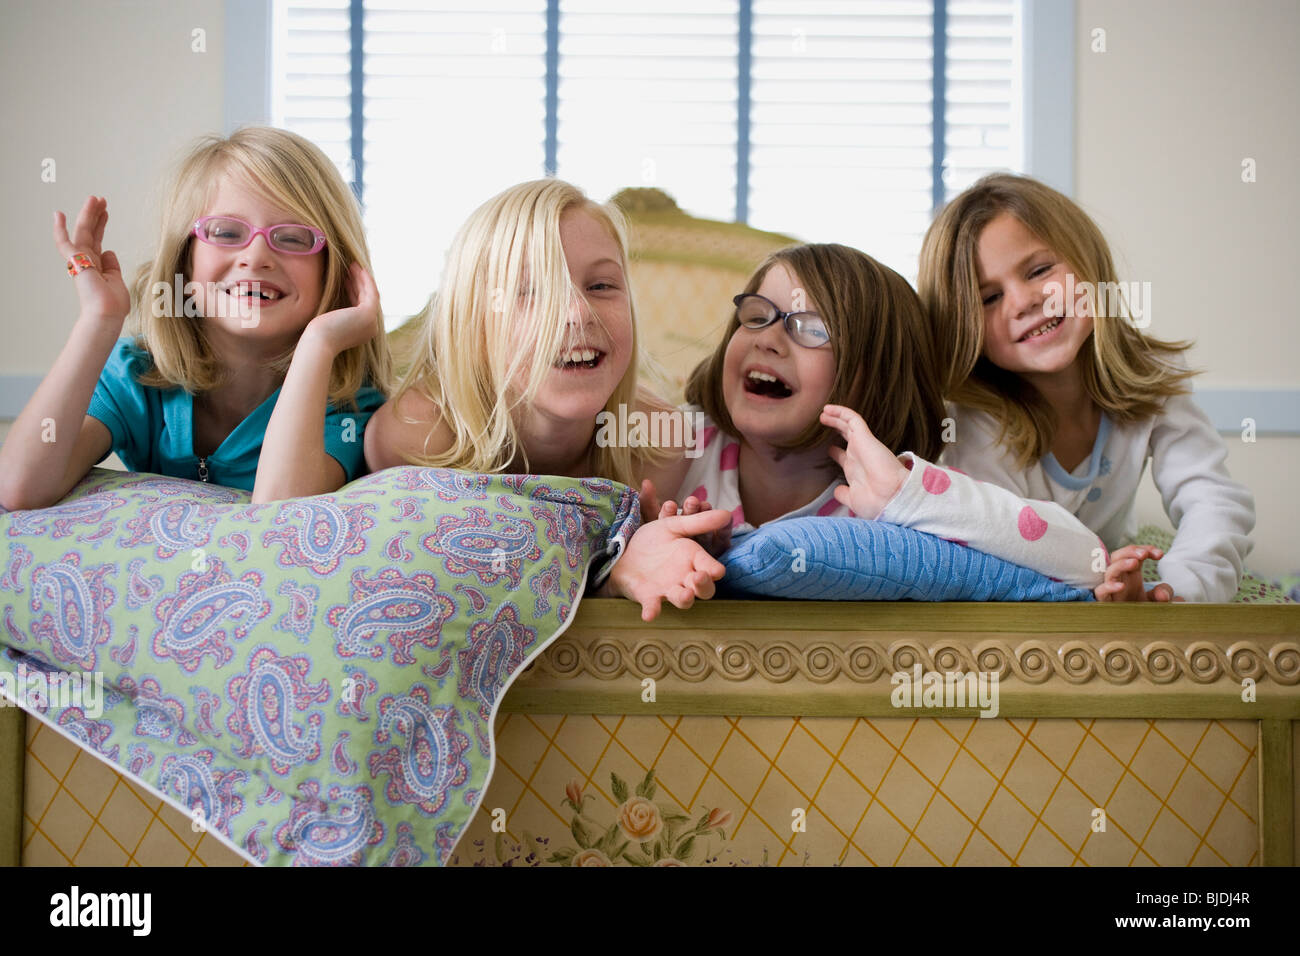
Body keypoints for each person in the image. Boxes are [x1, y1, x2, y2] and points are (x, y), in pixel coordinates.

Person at [0, 126, 391, 509]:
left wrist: (319, 343)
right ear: (184, 262)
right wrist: (98, 320)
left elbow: (282, 517)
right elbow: (20, 487)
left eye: (292, 238)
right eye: (225, 232)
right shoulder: (135, 375)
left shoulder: (348, 409)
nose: (255, 257)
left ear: (334, 272)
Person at [918, 173, 1254, 602]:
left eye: (1039, 270)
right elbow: (1004, 544)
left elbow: (1212, 498)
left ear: (1088, 262)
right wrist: (1097, 582)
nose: (1023, 302)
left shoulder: (1154, 373)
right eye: (989, 298)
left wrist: (1178, 591)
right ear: (963, 328)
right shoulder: (973, 422)